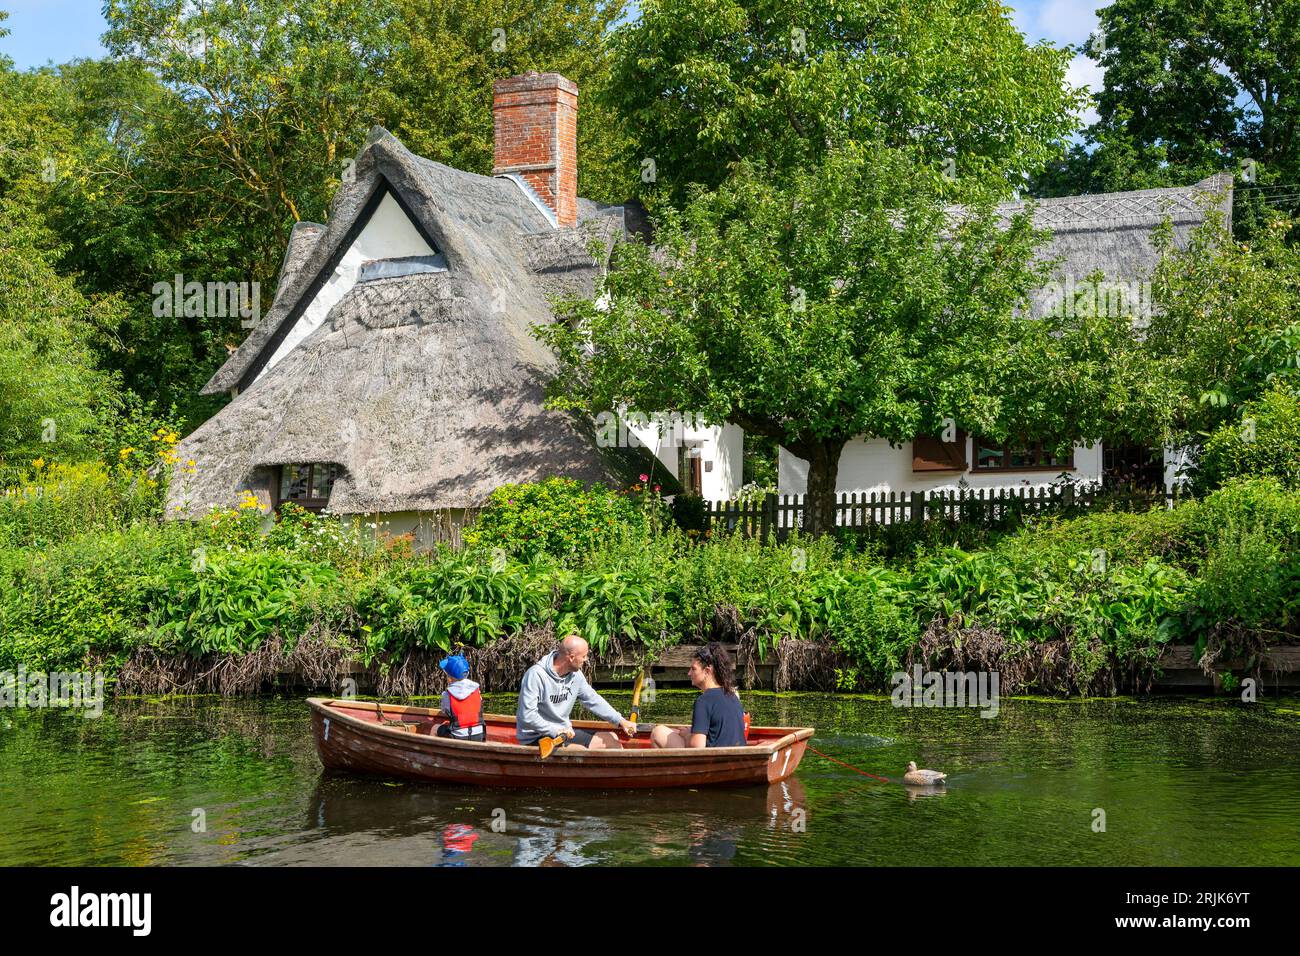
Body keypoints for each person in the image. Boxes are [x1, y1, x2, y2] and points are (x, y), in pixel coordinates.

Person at [515, 634, 636, 749]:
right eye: (584, 656)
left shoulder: (575, 675)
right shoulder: (536, 675)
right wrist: (555, 730)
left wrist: (620, 720)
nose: (586, 660)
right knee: (578, 751)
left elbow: (593, 699)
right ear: (571, 657)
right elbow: (528, 716)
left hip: (565, 733)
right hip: (537, 737)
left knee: (611, 740)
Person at [651, 642, 746, 749]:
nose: (689, 673)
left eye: (693, 669)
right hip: (735, 757)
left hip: (711, 762)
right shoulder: (732, 696)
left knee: (658, 732)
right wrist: (691, 732)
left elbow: (697, 747)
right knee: (677, 731)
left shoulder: (704, 701)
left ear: (707, 671)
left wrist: (688, 736)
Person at [436, 654, 486, 742]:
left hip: (457, 737)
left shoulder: (447, 694)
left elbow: (445, 712)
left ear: (449, 678)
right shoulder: (476, 689)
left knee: (435, 728)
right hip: (479, 735)